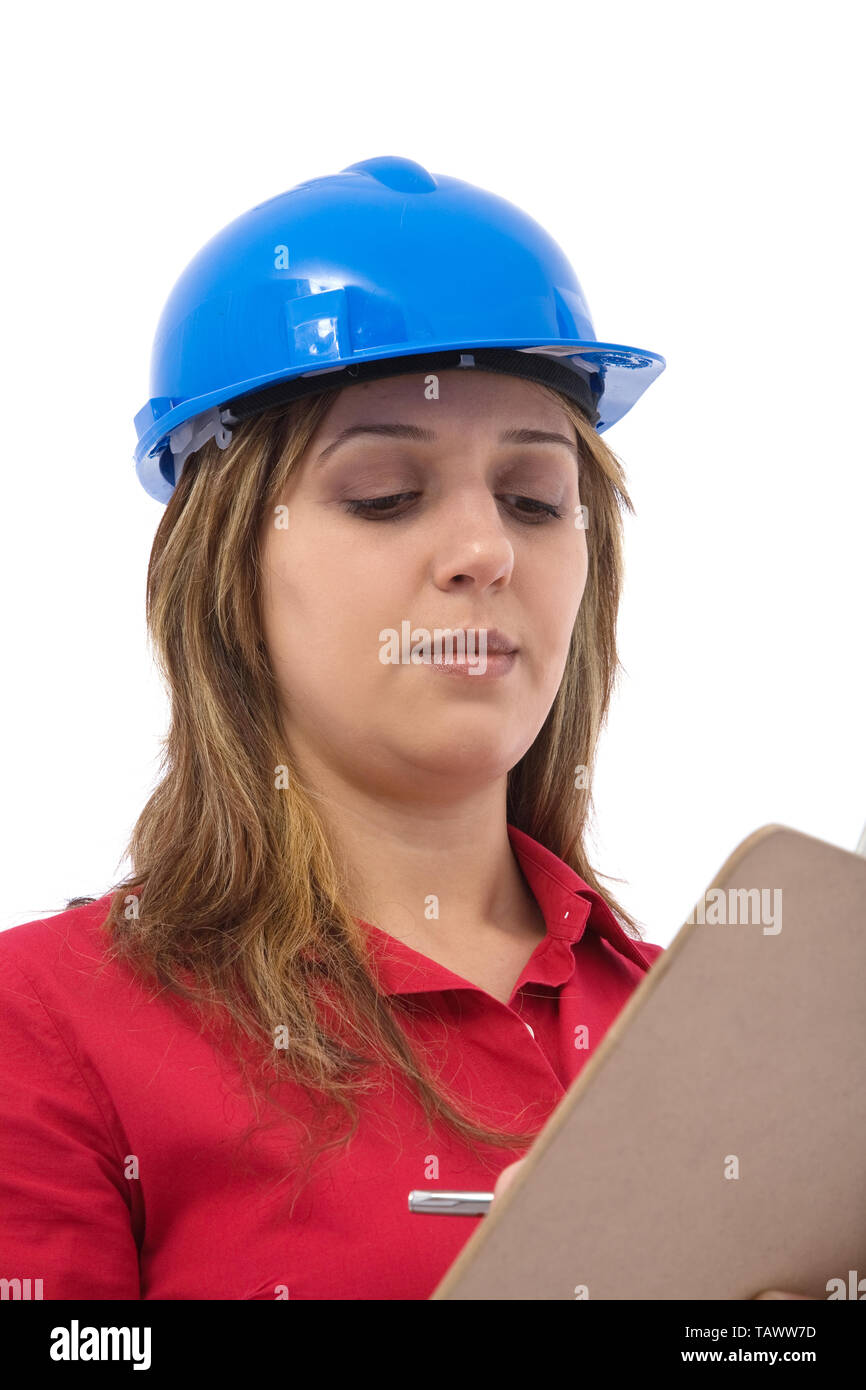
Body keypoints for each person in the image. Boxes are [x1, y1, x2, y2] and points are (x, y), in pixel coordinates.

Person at [0, 156, 808, 1301]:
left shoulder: (717, 1040)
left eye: (533, 499)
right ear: (225, 565)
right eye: (383, 494)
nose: (487, 551)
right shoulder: (40, 1027)